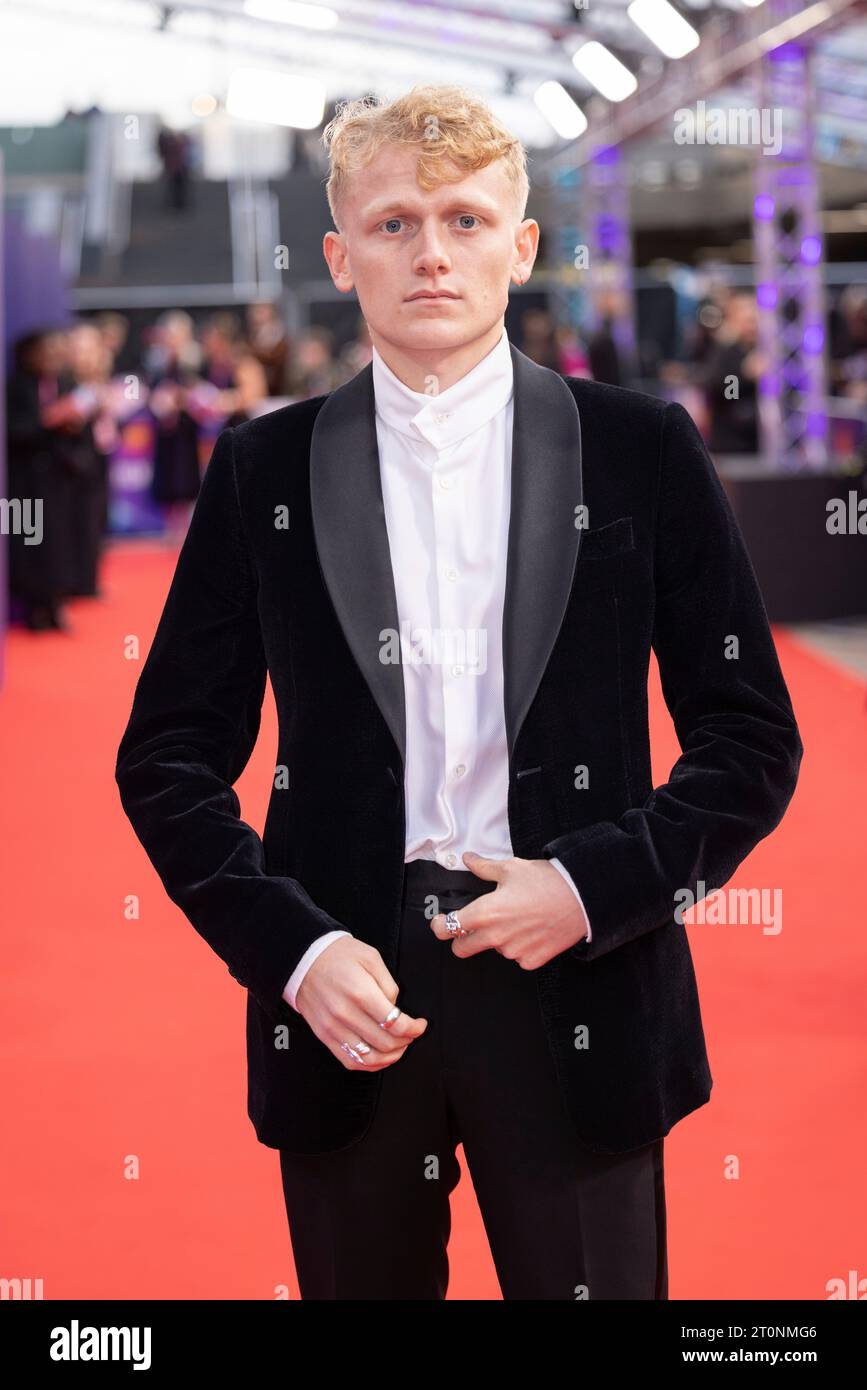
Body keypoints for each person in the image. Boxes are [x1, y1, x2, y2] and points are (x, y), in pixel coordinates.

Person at [115, 85, 803, 1300]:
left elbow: (751, 738)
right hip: (348, 1000)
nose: (431, 251)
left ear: (521, 245)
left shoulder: (643, 449)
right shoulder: (259, 469)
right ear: (340, 254)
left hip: (579, 978)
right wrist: (291, 948)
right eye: (393, 225)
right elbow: (165, 753)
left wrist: (594, 887)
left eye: (466, 220)